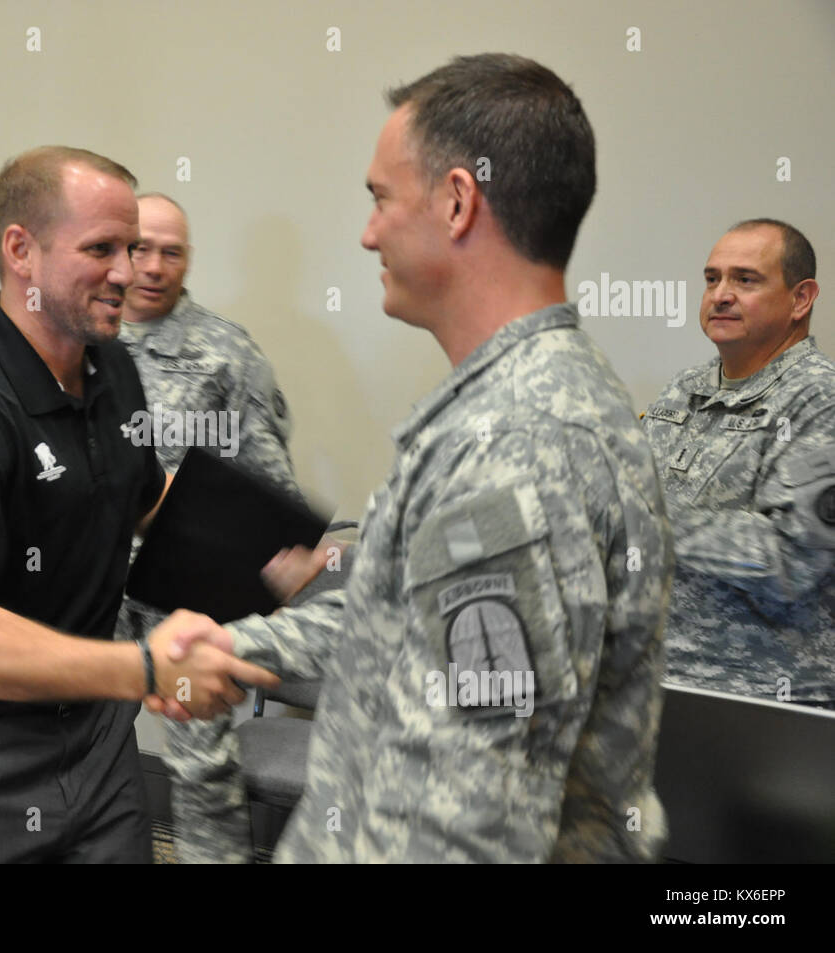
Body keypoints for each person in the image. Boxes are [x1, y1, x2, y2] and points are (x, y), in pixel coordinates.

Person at [172, 53, 673, 862]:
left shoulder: (516, 444)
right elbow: (403, 623)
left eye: (379, 198)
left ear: (456, 200)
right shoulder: (498, 410)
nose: (368, 231)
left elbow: (468, 816)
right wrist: (241, 649)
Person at [0, 146, 277, 863]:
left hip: (94, 744)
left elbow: (146, 502)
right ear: (21, 251)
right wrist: (146, 670)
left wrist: (274, 541)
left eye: (133, 247)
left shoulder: (112, 368)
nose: (128, 272)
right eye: (103, 249)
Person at [116, 192, 299, 863]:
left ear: (189, 258)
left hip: (186, 600)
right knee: (76, 744)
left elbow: (269, 490)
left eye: (173, 251)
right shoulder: (81, 344)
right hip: (94, 588)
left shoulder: (227, 353)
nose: (155, 265)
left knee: (201, 770)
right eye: (141, 247)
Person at [642, 219, 833, 706]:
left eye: (745, 279)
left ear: (800, 299)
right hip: (657, 682)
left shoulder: (819, 400)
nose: (721, 295)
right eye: (712, 279)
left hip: (762, 702)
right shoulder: (684, 389)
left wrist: (646, 519)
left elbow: (788, 560)